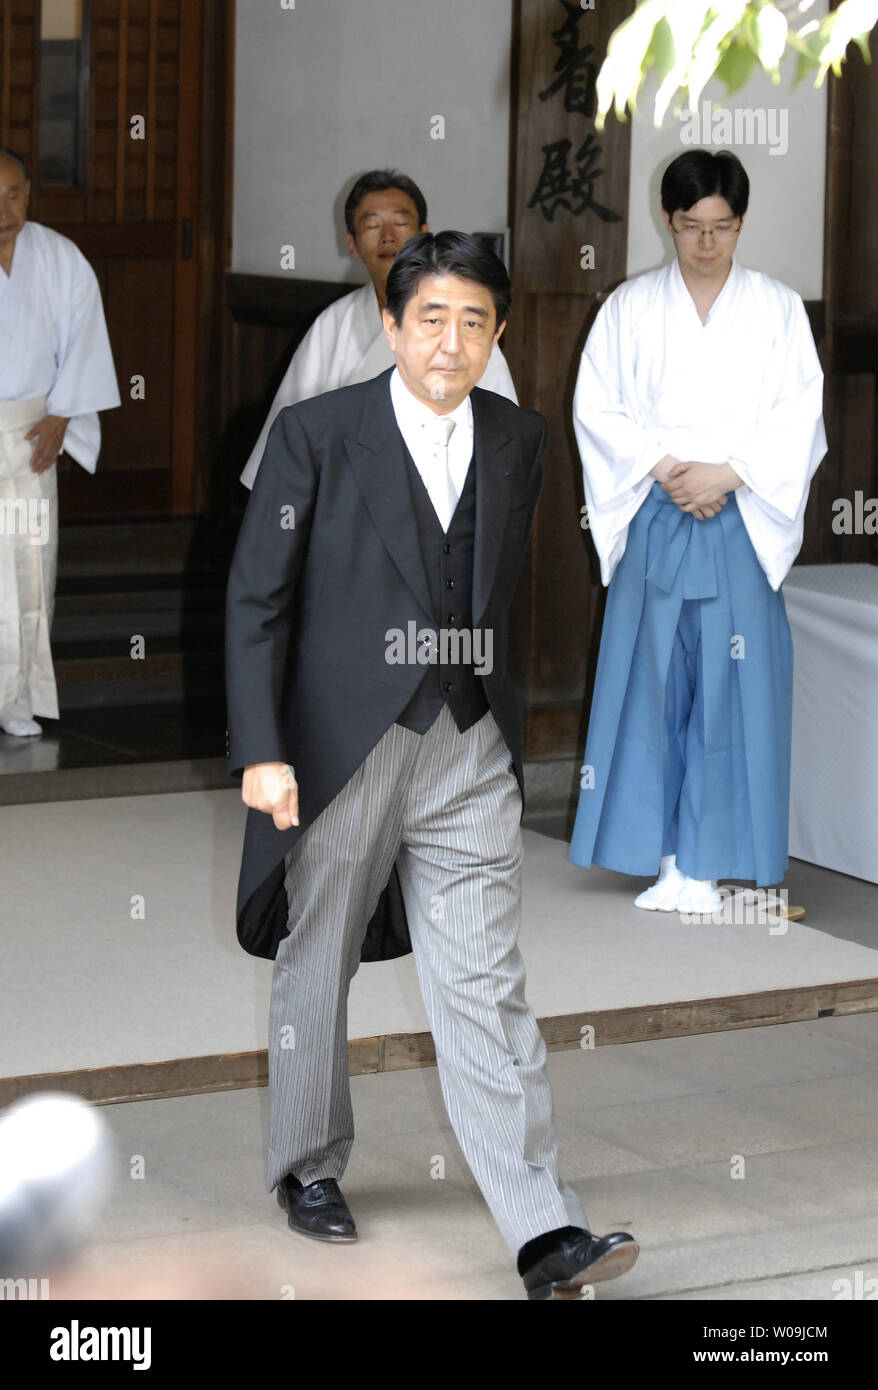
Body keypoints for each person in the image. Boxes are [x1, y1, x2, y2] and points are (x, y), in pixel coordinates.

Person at [225, 231, 639, 1300]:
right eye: (429, 320)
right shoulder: (316, 434)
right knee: (317, 953)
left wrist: (493, 724)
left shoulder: (520, 438)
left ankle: (542, 1225)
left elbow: (488, 589)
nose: (448, 343)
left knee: (486, 982)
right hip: (339, 742)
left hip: (465, 743)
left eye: (472, 322)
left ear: (495, 332)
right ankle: (307, 1165)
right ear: (391, 324)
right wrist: (263, 752)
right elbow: (255, 599)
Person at [569, 150, 826, 914]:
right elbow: (599, 404)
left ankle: (712, 858)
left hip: (741, 514)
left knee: (731, 687)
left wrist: (730, 473)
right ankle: (665, 855)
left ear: (740, 223)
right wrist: (663, 464)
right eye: (691, 227)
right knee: (652, 681)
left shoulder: (778, 308)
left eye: (721, 227)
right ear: (669, 222)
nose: (706, 243)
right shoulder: (631, 306)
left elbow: (799, 413)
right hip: (658, 506)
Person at [239, 169, 517, 489]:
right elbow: (289, 438)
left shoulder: (464, 324)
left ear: (424, 234)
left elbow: (501, 438)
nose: (387, 236)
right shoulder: (331, 326)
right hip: (344, 504)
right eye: (371, 225)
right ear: (352, 244)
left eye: (400, 223)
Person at [0, 148, 120, 738]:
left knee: (30, 569)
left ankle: (16, 699)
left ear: (28, 193)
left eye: (13, 194)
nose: (4, 209)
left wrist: (63, 415)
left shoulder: (58, 258)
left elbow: (85, 339)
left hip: (30, 435)